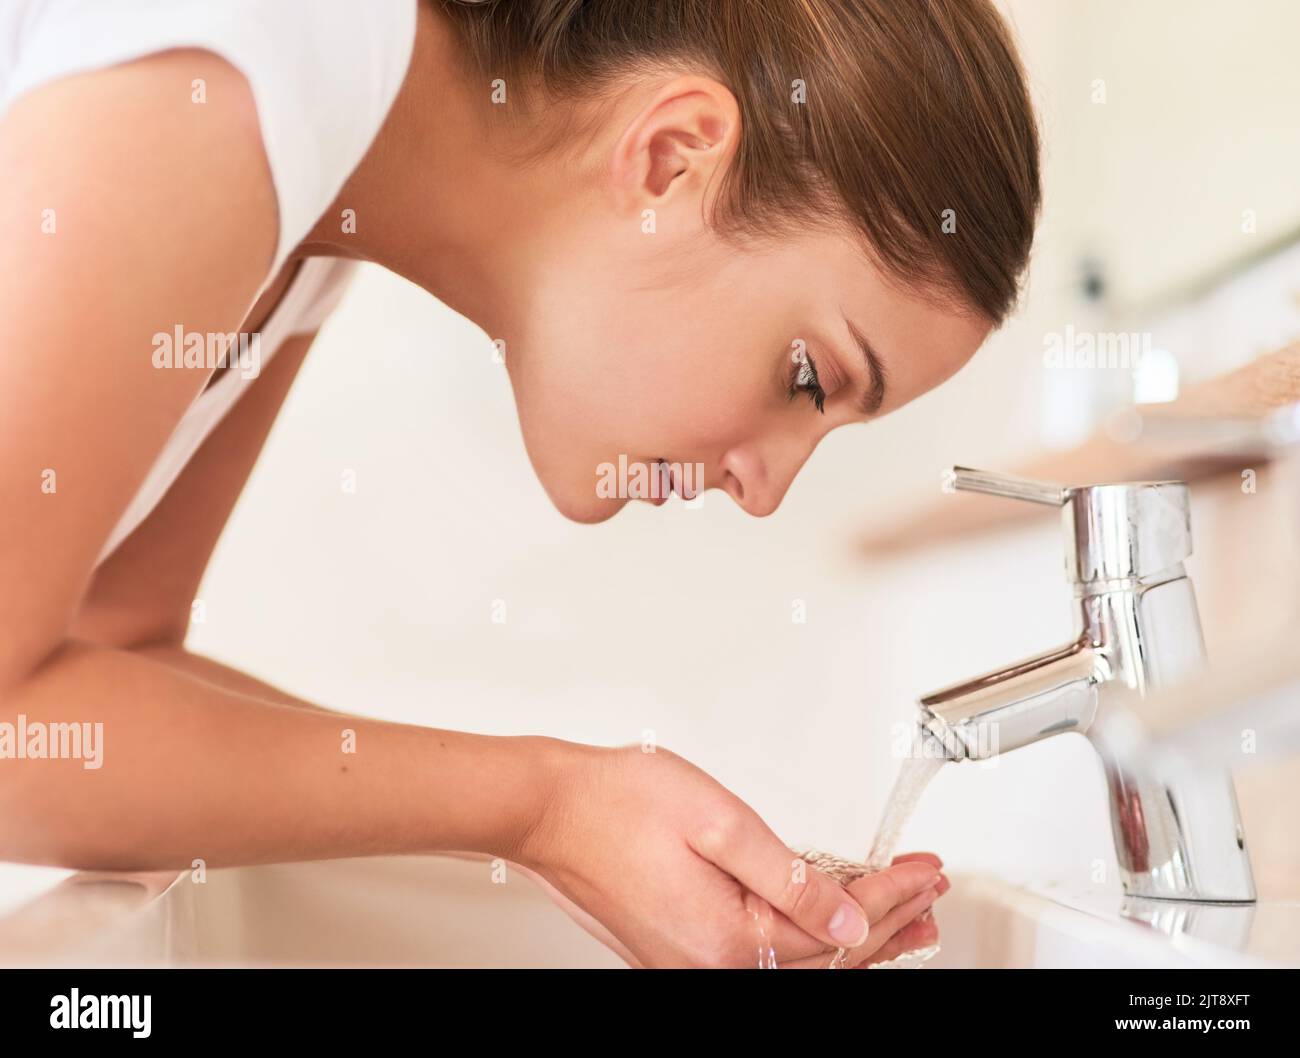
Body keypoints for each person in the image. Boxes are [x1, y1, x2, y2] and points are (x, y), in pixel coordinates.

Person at [0, 0, 1039, 968]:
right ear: (671, 158)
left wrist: (576, 840)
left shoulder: (319, 160)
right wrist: (543, 807)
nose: (763, 490)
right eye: (808, 376)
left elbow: (110, 646)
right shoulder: (233, 80)